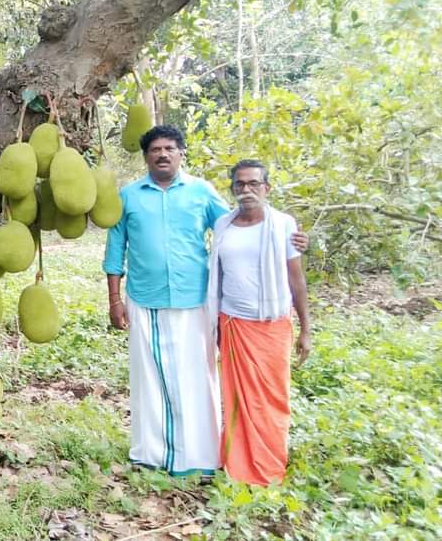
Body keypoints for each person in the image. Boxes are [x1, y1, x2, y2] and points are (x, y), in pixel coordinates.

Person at [103, 126, 307, 477]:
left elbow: (238, 225)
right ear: (146, 156)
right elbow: (114, 250)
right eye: (155, 149)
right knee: (148, 378)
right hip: (144, 298)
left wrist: (290, 238)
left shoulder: (201, 191)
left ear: (181, 153)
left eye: (170, 148)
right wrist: (114, 300)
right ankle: (150, 452)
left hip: (195, 299)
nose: (163, 154)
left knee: (197, 377)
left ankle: (199, 454)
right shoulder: (129, 196)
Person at [206, 159, 310, 486]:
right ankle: (236, 464)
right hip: (233, 322)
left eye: (254, 184)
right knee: (235, 398)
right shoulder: (223, 224)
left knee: (270, 400)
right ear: (233, 189)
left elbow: (297, 280)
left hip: (271, 326)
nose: (247, 190)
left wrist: (306, 328)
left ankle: (266, 470)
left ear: (267, 188)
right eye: (240, 185)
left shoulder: (283, 225)